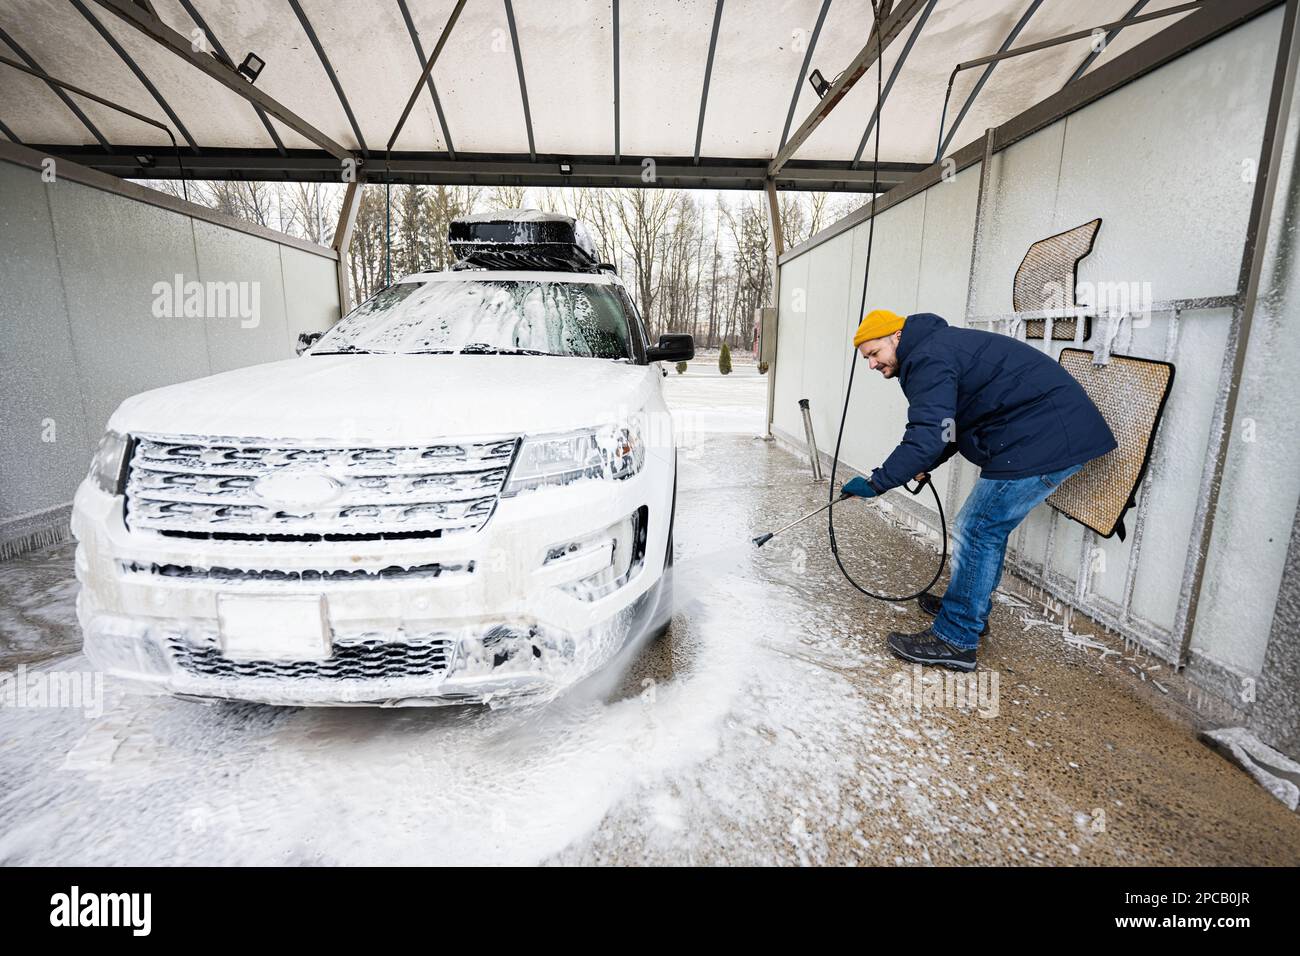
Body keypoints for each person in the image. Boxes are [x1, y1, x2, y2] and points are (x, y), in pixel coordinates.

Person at [841, 309, 1116, 671]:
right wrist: (926, 463)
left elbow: (926, 435)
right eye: (867, 359)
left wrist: (878, 481)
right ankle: (969, 608)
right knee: (986, 529)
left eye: (874, 353)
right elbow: (947, 427)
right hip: (1043, 433)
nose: (872, 365)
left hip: (1043, 438)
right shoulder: (933, 349)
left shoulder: (926, 358)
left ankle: (956, 637)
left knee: (978, 528)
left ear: (896, 337)